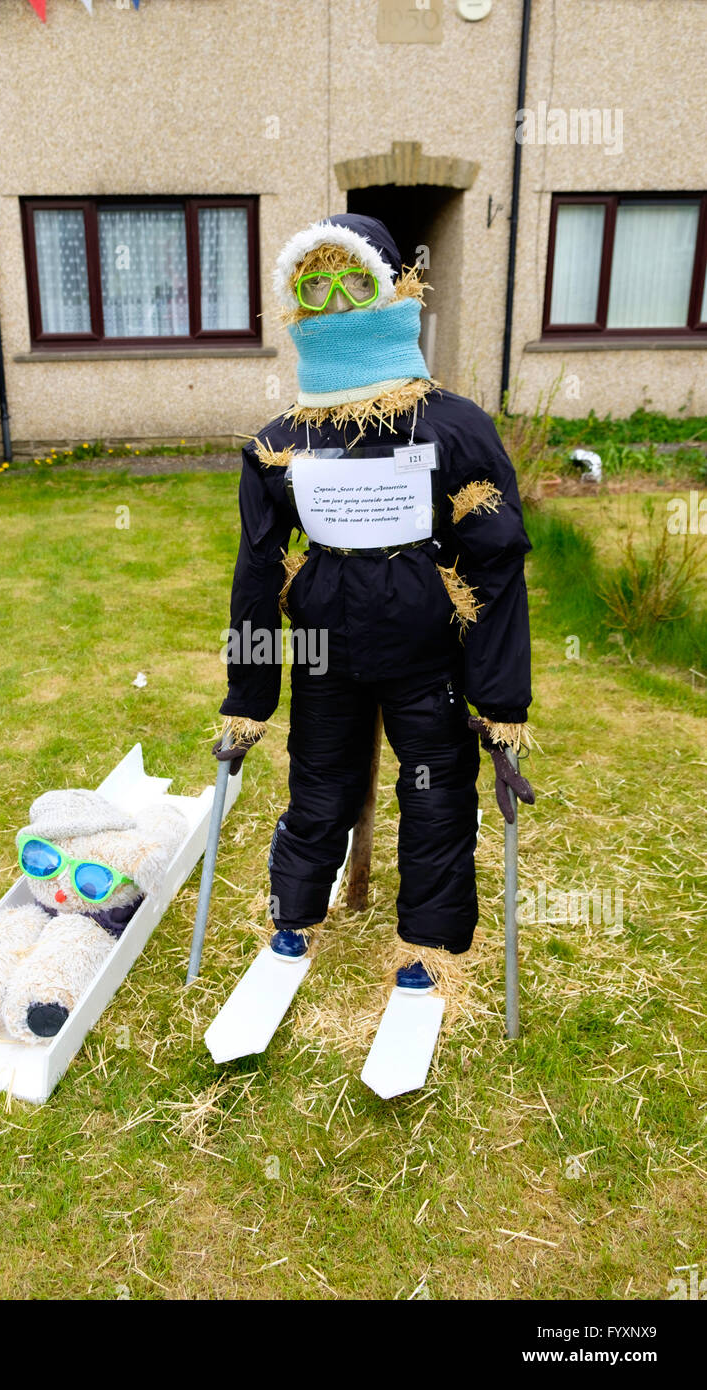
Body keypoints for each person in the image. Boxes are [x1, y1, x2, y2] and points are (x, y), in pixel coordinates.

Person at [214, 213, 534, 992]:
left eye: (355, 283)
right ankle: (294, 919)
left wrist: (500, 707)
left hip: (426, 652)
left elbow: (495, 565)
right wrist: (247, 699)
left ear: (394, 289)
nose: (336, 304)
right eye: (313, 287)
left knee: (435, 790)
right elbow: (258, 570)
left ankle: (427, 944)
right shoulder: (281, 440)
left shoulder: (453, 426)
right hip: (324, 649)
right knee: (317, 780)